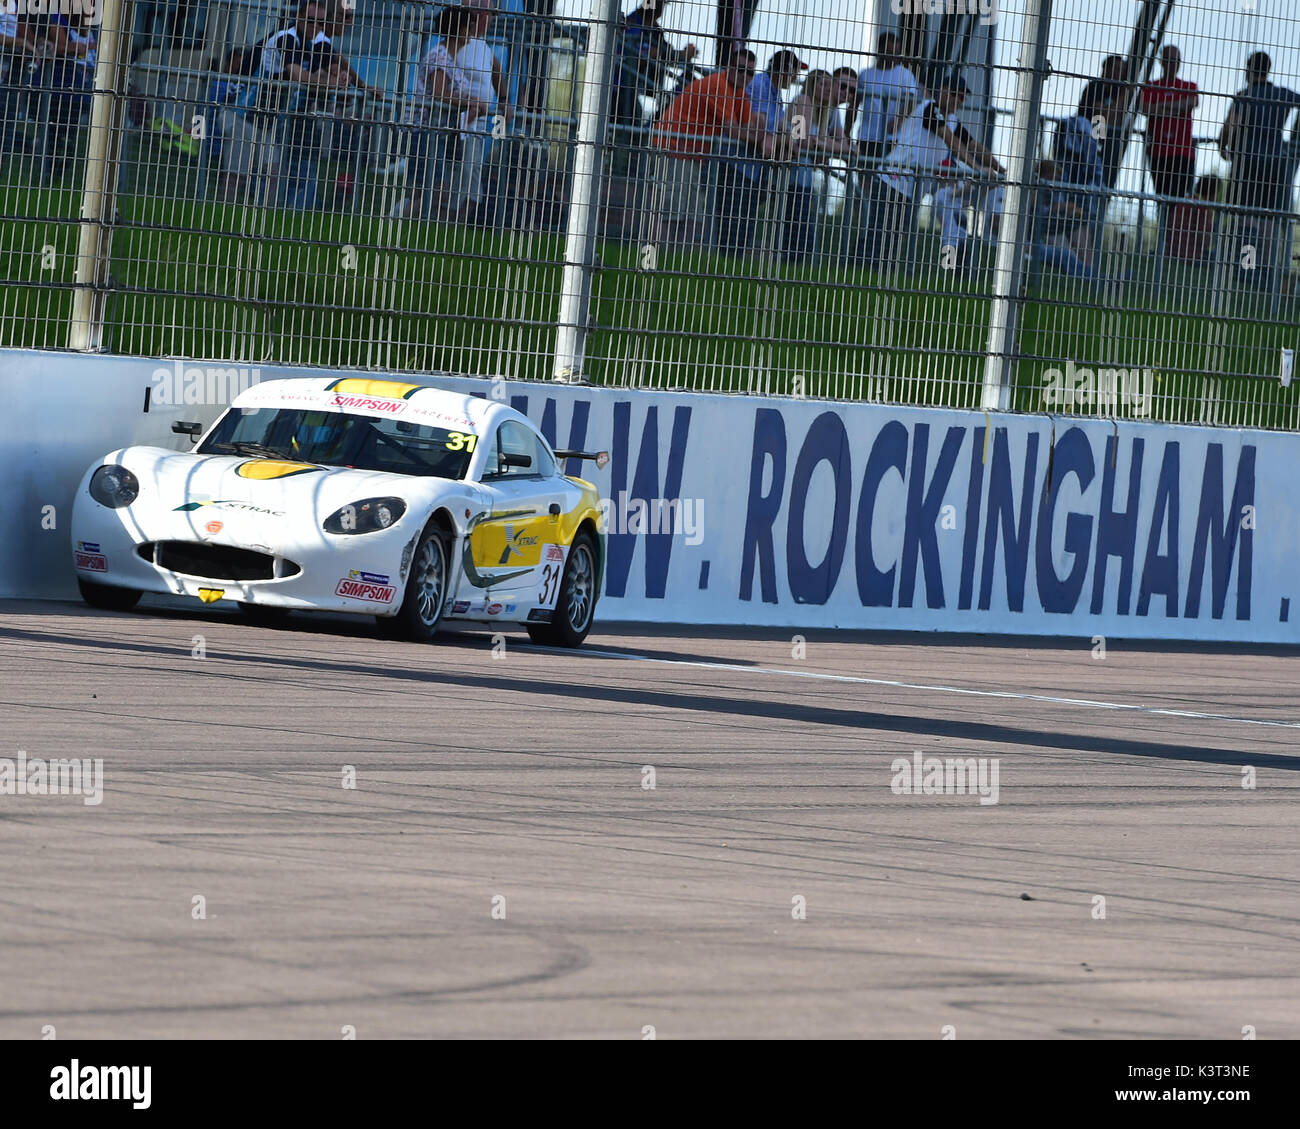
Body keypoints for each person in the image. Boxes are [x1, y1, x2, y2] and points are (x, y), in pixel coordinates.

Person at [866, 72, 1003, 271]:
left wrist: (1003, 170)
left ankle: (873, 277)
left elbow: (974, 145)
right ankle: (859, 275)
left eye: (962, 97)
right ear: (943, 91)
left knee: (894, 239)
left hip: (909, 188)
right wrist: (978, 167)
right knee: (879, 237)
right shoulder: (932, 108)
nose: (959, 100)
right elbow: (951, 140)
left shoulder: (952, 120)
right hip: (892, 179)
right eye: (955, 94)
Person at [651, 48, 786, 251]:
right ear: (728, 68)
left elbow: (755, 126)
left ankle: (678, 264)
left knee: (692, 213)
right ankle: (653, 260)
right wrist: (763, 136)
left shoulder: (742, 92)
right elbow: (734, 130)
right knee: (670, 210)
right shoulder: (720, 84)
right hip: (672, 148)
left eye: (749, 72)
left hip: (693, 155)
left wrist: (762, 134)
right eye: (740, 69)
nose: (745, 75)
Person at [396, 4, 491, 220]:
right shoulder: (440, 57)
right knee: (439, 190)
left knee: (424, 190)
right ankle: (396, 219)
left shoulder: (449, 59)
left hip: (438, 133)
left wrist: (470, 103)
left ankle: (404, 226)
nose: (471, 33)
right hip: (426, 130)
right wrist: (469, 101)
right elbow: (439, 93)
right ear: (458, 30)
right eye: (469, 28)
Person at [256, 0, 348, 209]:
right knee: (251, 175)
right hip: (255, 115)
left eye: (320, 23)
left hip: (281, 118)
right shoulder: (287, 38)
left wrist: (339, 76)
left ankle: (280, 216)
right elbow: (298, 75)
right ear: (298, 17)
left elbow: (332, 64)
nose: (315, 26)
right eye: (311, 20)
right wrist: (331, 81)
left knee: (282, 170)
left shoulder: (316, 41)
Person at [1219, 50, 1300, 283]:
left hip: (1247, 162)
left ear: (1248, 68)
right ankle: (1265, 272)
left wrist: (1223, 146)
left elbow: (1231, 125)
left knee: (1246, 216)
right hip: (1276, 162)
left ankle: (1246, 269)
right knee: (1269, 218)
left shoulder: (1245, 95)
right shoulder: (1281, 94)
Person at [725, 48, 804, 255]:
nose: (796, 78)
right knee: (734, 226)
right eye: (795, 72)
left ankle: (732, 268)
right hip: (739, 164)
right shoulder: (765, 87)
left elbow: (782, 131)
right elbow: (766, 131)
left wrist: (787, 142)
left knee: (743, 225)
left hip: (754, 169)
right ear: (786, 70)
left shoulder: (775, 92)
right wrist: (786, 142)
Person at [783, 69, 851, 263]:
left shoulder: (826, 111)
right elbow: (802, 140)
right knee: (796, 236)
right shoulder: (803, 100)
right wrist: (823, 146)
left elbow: (844, 146)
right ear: (812, 84)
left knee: (805, 237)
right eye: (822, 84)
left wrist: (822, 145)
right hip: (790, 181)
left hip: (804, 182)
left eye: (830, 86)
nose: (827, 89)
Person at [613, 0, 697, 142]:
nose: (660, 8)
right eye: (658, 3)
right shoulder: (633, 22)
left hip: (635, 87)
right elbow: (633, 51)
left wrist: (684, 55)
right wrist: (649, 54)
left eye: (663, 4)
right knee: (627, 130)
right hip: (618, 87)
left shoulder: (656, 31)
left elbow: (666, 54)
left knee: (688, 80)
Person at [846, 32, 919, 166]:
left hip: (893, 138)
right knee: (864, 177)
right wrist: (847, 133)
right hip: (867, 136)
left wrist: (898, 119)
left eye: (896, 52)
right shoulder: (865, 75)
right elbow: (854, 105)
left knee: (885, 179)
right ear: (879, 50)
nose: (893, 56)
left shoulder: (905, 75)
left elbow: (911, 101)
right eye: (889, 51)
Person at [44, 0, 97, 180]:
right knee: (57, 132)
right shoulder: (59, 19)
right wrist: (85, 47)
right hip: (64, 86)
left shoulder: (88, 26)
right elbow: (62, 47)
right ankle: (48, 172)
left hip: (82, 87)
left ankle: (57, 173)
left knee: (70, 136)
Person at [1139, 45, 1198, 200]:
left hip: (1183, 152)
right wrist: (1177, 106)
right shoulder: (1151, 85)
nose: (1174, 64)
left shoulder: (1189, 86)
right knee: (1162, 199)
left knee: (1181, 200)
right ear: (1162, 61)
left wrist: (1161, 106)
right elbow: (1145, 108)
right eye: (1170, 60)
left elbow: (1192, 101)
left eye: (1177, 60)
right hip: (1158, 152)